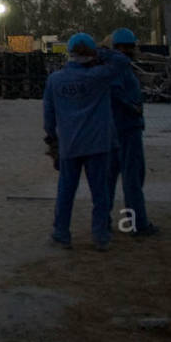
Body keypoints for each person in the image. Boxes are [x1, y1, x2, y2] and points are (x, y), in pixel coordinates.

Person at [43, 32, 117, 251]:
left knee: (66, 191)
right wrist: (101, 52)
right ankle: (101, 236)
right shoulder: (100, 76)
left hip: (69, 143)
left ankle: (61, 233)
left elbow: (49, 115)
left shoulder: (55, 80)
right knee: (100, 193)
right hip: (97, 143)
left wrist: (52, 139)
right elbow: (121, 61)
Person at [100, 29, 157, 237]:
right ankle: (136, 224)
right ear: (125, 47)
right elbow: (116, 91)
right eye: (132, 47)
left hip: (113, 129)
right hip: (127, 129)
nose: (134, 51)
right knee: (132, 180)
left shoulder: (110, 64)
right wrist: (132, 107)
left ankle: (103, 222)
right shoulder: (119, 66)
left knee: (108, 180)